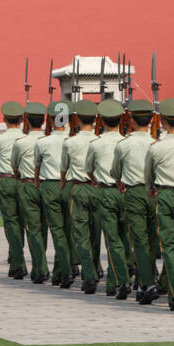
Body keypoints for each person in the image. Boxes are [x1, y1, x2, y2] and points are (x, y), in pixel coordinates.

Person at [111, 99, 163, 303]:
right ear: (151, 121)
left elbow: (115, 172)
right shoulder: (156, 144)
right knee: (152, 240)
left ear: (131, 120)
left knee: (139, 242)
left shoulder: (124, 145)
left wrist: (119, 181)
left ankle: (147, 283)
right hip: (155, 192)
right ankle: (147, 280)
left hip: (134, 192)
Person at [144, 98, 174, 311]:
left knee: (169, 247)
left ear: (162, 122)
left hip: (166, 195)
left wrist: (151, 191)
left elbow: (149, 177)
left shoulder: (157, 148)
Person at [86, 99, 130, 299]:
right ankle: (119, 279)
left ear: (102, 120)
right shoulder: (127, 142)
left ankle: (119, 281)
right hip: (126, 192)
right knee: (125, 238)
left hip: (105, 191)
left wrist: (96, 181)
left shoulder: (96, 144)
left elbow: (88, 170)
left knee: (112, 240)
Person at [60, 100, 101, 294]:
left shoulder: (70, 142)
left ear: (77, 119)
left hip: (78, 187)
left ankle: (89, 274)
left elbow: (63, 168)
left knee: (81, 234)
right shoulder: (99, 140)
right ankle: (95, 268)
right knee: (96, 232)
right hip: (97, 188)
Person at [35, 101, 75, 287]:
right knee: (69, 229)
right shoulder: (73, 140)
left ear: (50, 120)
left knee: (57, 231)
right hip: (70, 185)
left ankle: (64, 271)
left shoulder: (43, 142)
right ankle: (61, 270)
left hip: (50, 185)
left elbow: (36, 167)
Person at [11, 103, 50, 284]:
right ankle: (46, 265)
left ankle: (40, 267)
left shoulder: (21, 143)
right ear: (43, 121)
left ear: (26, 121)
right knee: (46, 227)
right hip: (48, 185)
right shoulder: (49, 140)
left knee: (33, 228)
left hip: (28, 184)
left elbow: (14, 166)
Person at [0, 103, 28, 278]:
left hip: (6, 181)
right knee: (26, 222)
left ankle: (17, 262)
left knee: (11, 223)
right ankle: (15, 257)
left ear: (4, 119)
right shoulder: (27, 138)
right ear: (21, 120)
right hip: (25, 182)